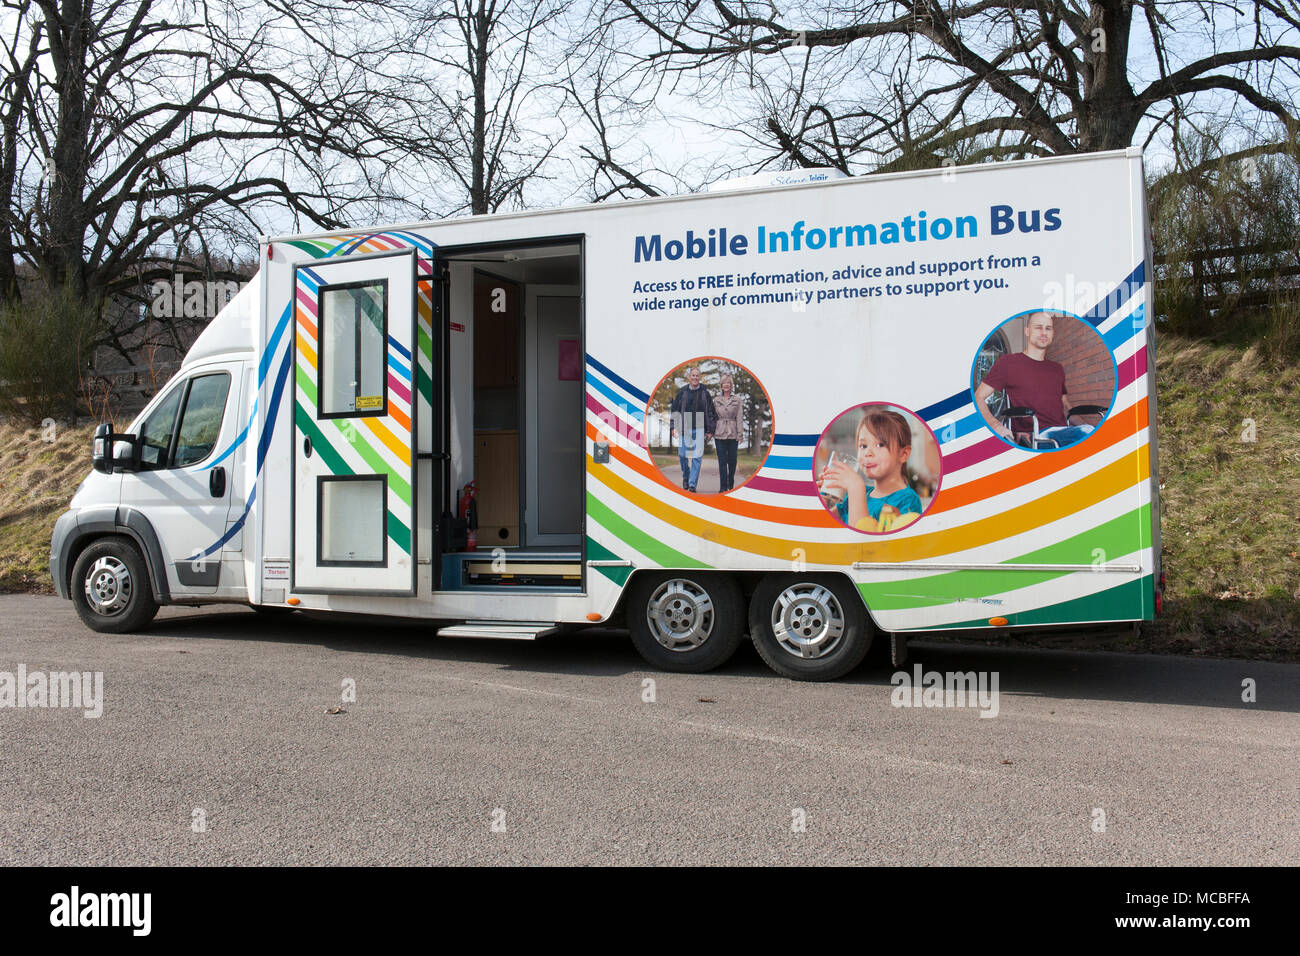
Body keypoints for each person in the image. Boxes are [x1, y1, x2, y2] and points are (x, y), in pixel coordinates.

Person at [974, 311, 1095, 448]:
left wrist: (1089, 428)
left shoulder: (1057, 368)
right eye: (1038, 327)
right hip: (1036, 436)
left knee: (1091, 432)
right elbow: (978, 397)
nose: (1044, 332)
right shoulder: (1008, 363)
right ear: (1027, 331)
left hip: (1063, 433)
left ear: (1052, 333)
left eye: (1048, 328)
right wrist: (995, 425)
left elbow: (1066, 407)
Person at [820, 407, 923, 532]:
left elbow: (866, 544)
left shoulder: (908, 500)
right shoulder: (855, 496)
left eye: (880, 444)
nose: (867, 452)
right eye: (863, 446)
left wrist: (855, 487)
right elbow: (824, 528)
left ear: (903, 454)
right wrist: (823, 500)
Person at [668, 366, 716, 492]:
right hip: (685, 425)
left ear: (700, 378)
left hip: (700, 425)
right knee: (682, 454)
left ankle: (692, 484)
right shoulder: (682, 392)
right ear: (689, 377)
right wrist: (673, 427)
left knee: (697, 457)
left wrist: (710, 430)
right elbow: (675, 410)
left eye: (697, 376)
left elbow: (711, 411)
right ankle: (686, 476)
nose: (695, 377)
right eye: (693, 375)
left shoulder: (705, 393)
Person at [712, 374, 743, 492]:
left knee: (732, 461)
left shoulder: (737, 400)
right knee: (722, 462)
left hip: (733, 433)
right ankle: (723, 487)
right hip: (719, 433)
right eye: (724, 383)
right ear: (721, 385)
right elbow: (713, 417)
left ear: (731, 385)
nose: (726, 385)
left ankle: (731, 484)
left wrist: (740, 434)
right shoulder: (716, 400)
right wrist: (710, 431)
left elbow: (739, 417)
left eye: (728, 383)